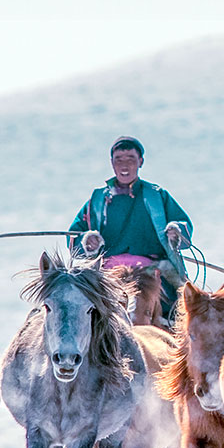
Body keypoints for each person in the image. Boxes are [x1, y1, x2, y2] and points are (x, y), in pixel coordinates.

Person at [69, 136, 193, 319]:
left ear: (140, 162)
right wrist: (87, 241)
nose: (124, 165)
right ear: (112, 163)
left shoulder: (156, 196)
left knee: (185, 308)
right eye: (119, 159)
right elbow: (75, 234)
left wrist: (176, 231)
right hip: (108, 273)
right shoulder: (97, 200)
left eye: (130, 159)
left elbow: (183, 224)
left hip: (152, 270)